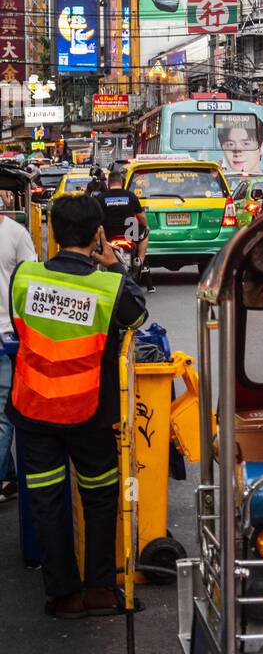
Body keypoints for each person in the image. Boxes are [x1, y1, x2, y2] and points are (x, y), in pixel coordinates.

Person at [9, 195, 148, 618]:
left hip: (34, 409)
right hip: (88, 410)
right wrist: (113, 264)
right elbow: (139, 318)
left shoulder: (25, 277)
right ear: (98, 233)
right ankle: (101, 591)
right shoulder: (109, 285)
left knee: (48, 501)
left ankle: (64, 595)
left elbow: (19, 322)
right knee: (100, 499)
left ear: (52, 230)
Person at [0, 209, 37, 503]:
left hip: (6, 336)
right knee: (3, 414)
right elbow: (33, 286)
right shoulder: (16, 234)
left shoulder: (16, 233)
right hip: (7, 332)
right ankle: (6, 476)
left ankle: (7, 477)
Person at [98, 167, 152, 290]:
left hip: (108, 236)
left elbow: (96, 218)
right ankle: (140, 260)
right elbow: (141, 216)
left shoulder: (101, 197)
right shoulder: (130, 196)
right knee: (146, 234)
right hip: (129, 234)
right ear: (121, 182)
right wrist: (146, 226)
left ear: (108, 183)